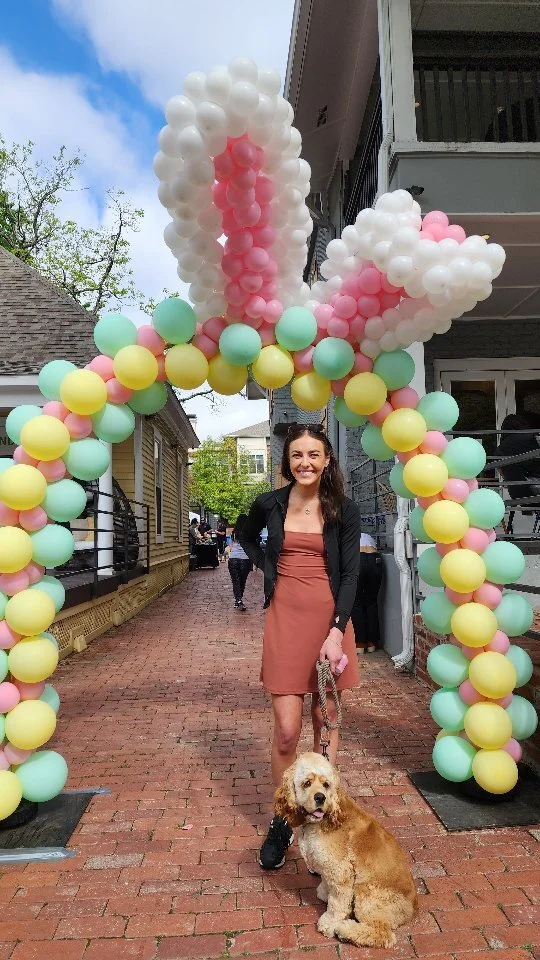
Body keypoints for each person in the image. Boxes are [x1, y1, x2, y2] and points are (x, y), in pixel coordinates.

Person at [240, 424, 361, 870]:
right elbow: (244, 534)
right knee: (288, 729)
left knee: (324, 721)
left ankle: (323, 815)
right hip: (285, 620)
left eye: (314, 454)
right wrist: (265, 567)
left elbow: (350, 575)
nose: (305, 463)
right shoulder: (269, 503)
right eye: (297, 456)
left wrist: (336, 630)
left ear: (327, 460)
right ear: (286, 462)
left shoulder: (344, 510)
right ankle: (283, 820)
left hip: (331, 623)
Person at [495, 412, 540, 534]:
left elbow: (503, 473)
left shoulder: (499, 450)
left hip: (516, 493)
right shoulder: (531, 438)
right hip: (535, 490)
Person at [351, 532, 383, 653]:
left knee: (356, 602)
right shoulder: (367, 536)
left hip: (357, 559)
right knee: (371, 601)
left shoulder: (347, 534)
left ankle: (360, 643)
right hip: (375, 560)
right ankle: (372, 643)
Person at [226, 514, 252, 610]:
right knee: (242, 581)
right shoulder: (249, 533)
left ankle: (238, 600)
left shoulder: (233, 533)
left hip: (233, 559)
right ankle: (239, 600)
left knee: (236, 581)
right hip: (245, 559)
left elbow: (231, 547)